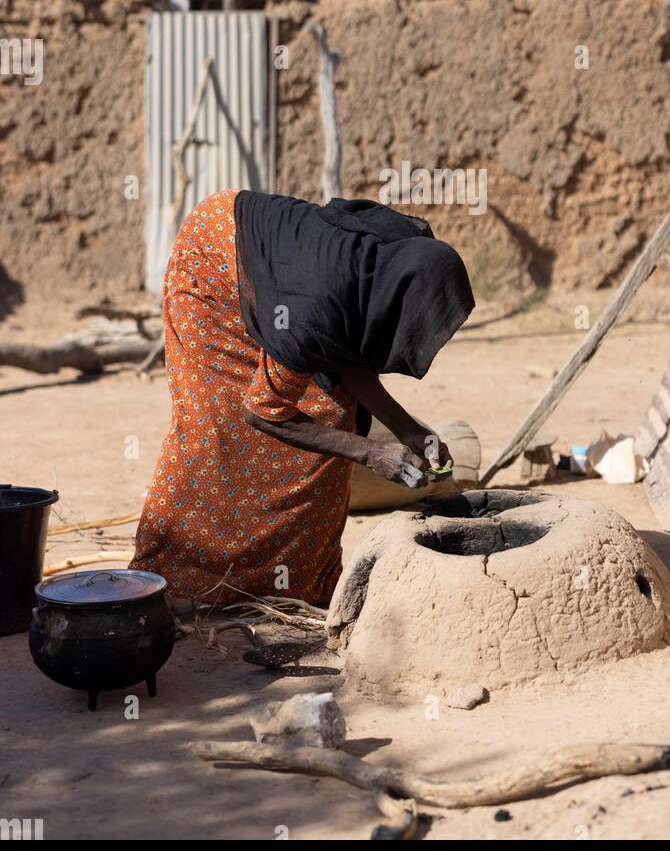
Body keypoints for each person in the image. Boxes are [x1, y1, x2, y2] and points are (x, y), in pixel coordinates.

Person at [131, 188, 474, 605]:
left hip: (282, 278)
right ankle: (178, 579)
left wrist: (409, 431)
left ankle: (296, 587)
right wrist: (372, 454)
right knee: (217, 428)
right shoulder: (313, 311)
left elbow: (347, 351)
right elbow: (265, 413)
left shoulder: (395, 256)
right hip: (211, 266)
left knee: (334, 415)